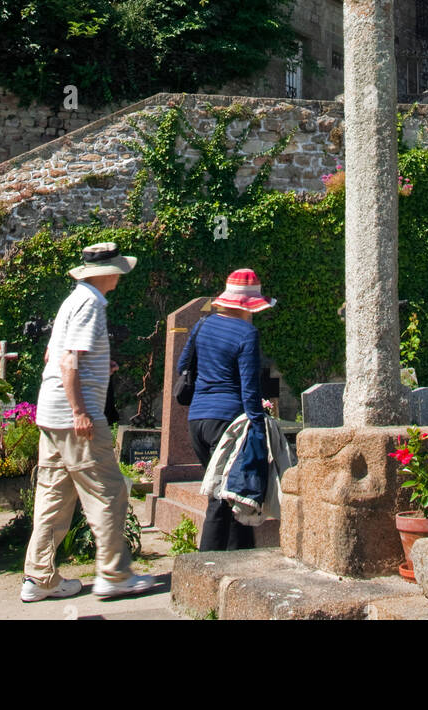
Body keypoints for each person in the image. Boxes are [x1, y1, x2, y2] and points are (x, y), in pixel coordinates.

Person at [20, 242, 155, 603]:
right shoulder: (91, 304)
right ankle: (114, 574)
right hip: (74, 419)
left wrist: (100, 366)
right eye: (117, 271)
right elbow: (66, 362)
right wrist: (81, 412)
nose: (120, 278)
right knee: (110, 492)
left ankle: (39, 578)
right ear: (106, 273)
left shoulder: (71, 301)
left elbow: (53, 354)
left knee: (53, 496)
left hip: (51, 415)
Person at [178, 268, 275, 552]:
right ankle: (205, 566)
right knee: (222, 498)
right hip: (229, 422)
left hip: (198, 420)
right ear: (250, 305)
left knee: (228, 495)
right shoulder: (247, 333)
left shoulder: (202, 325)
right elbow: (249, 388)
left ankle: (238, 560)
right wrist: (259, 430)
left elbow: (182, 366)